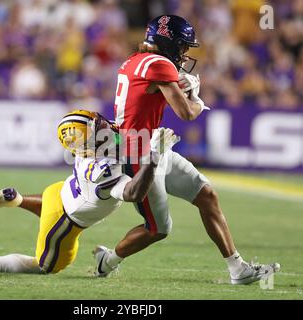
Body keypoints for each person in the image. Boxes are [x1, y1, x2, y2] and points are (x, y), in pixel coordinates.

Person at [93, 15, 280, 284]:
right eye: (181, 45)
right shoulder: (158, 64)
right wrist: (196, 97)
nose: (183, 52)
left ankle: (237, 269)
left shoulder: (135, 60)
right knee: (158, 229)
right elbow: (186, 113)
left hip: (153, 144)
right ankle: (108, 260)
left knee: (206, 195)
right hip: (139, 154)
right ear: (166, 42)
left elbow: (150, 94)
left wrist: (181, 87)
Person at [0, 110, 179, 275]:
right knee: (44, 266)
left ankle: (16, 199)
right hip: (65, 220)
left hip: (59, 195)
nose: (105, 127)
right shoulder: (103, 170)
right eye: (97, 128)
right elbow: (133, 194)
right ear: (89, 144)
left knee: (55, 206)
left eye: (98, 122)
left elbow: (124, 131)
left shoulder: (88, 147)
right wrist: (154, 158)